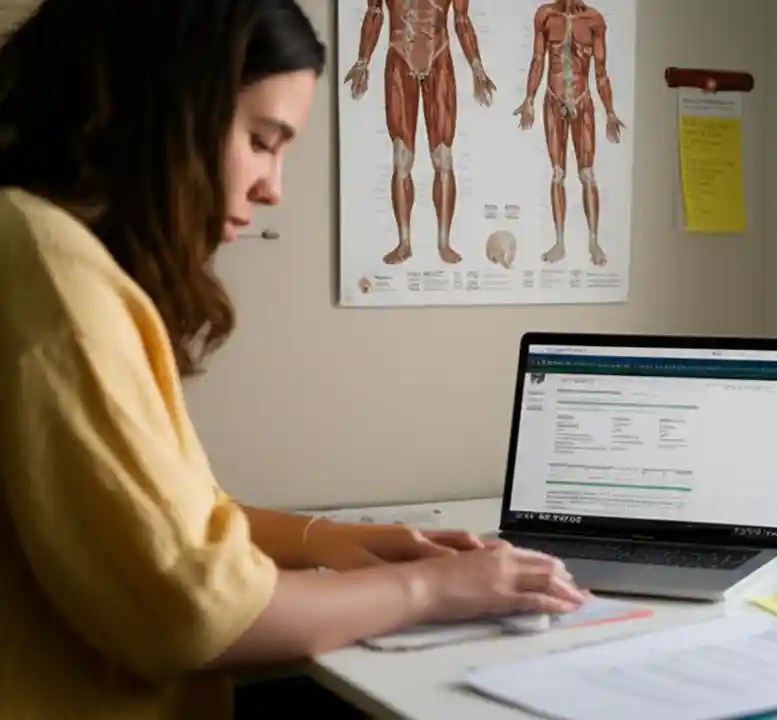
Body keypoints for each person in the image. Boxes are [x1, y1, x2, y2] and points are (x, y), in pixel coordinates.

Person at [0, 2, 587, 719]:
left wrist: (331, 540)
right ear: (165, 105)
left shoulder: (35, 246)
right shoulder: (52, 269)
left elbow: (172, 520)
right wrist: (436, 589)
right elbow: (196, 612)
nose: (272, 188)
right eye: (261, 141)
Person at [344, 0, 497, 266]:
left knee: (443, 158)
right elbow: (374, 12)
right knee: (401, 159)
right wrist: (362, 61)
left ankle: (443, 243)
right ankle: (404, 243)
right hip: (399, 58)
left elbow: (461, 19)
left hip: (439, 58)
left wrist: (477, 67)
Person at [515, 0, 625, 268]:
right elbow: (538, 60)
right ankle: (560, 242)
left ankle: (593, 241)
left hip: (582, 101)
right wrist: (529, 99)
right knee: (558, 173)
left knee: (587, 174)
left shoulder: (594, 20)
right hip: (553, 100)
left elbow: (601, 72)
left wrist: (610, 112)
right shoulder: (545, 15)